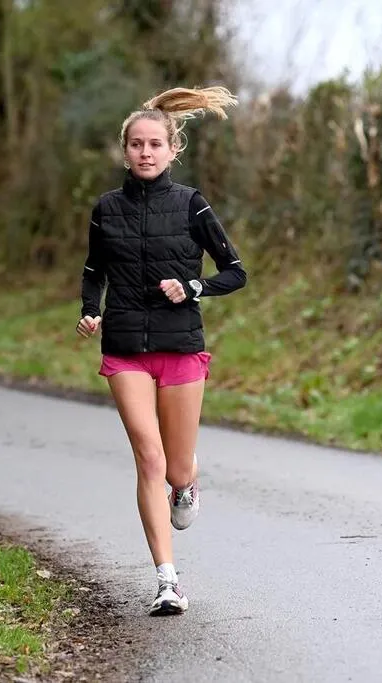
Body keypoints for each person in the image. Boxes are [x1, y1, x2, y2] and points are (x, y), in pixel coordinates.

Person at [76, 85, 248, 616]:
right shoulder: (106, 209)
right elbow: (93, 270)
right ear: (124, 151)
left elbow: (235, 272)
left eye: (155, 144)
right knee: (147, 458)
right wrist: (90, 309)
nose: (145, 153)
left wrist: (192, 288)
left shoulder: (192, 204)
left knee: (175, 469)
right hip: (125, 345)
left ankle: (187, 480)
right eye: (135, 145)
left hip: (180, 345)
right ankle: (167, 580)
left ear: (173, 149)